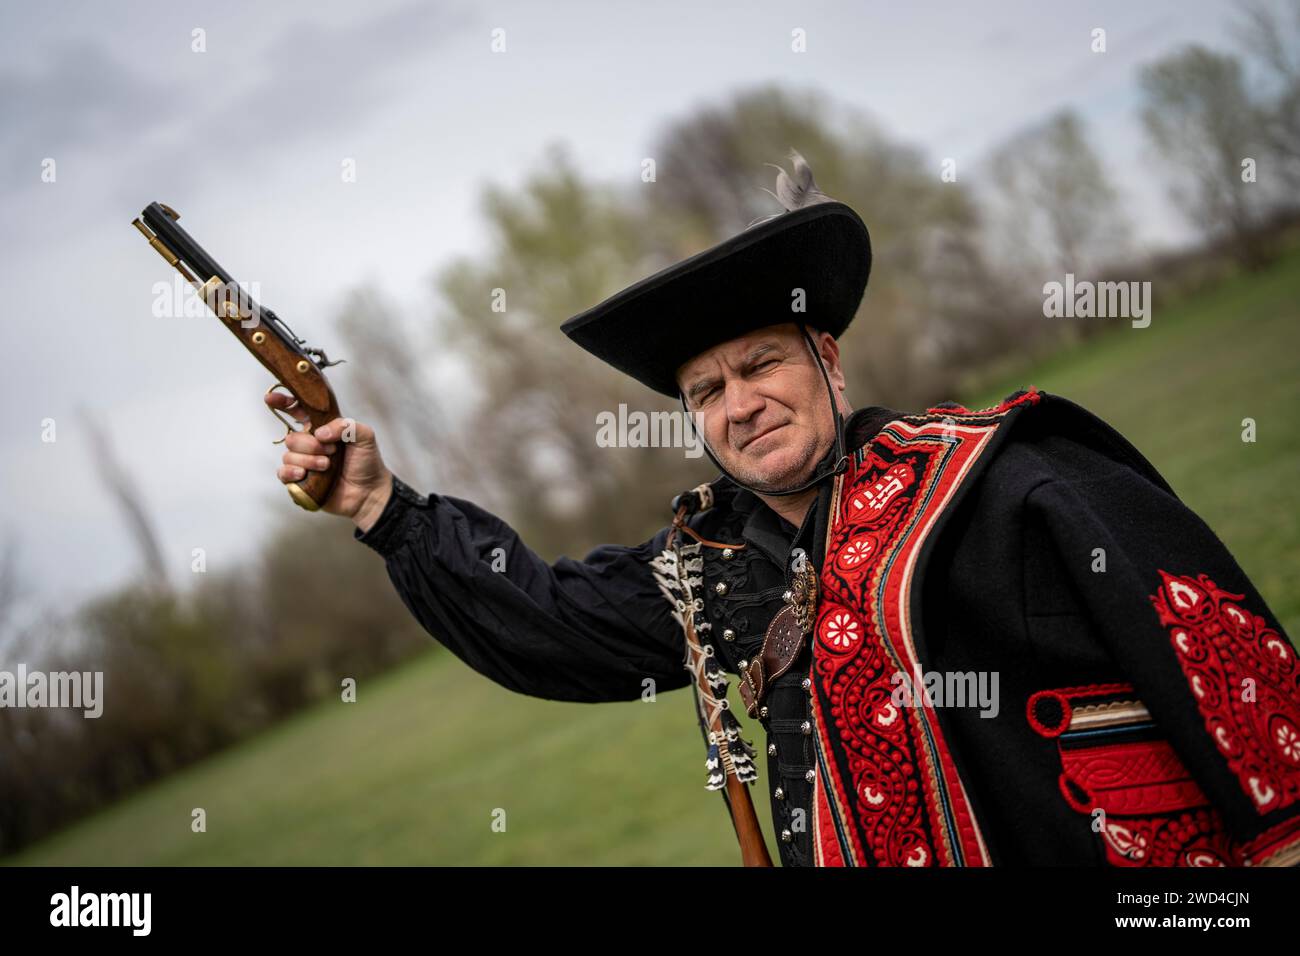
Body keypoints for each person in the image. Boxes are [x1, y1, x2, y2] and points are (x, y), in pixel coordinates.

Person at [266, 152, 1300, 868]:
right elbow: (548, 622)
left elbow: (1232, 680)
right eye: (707, 391)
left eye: (759, 363)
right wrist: (383, 508)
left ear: (828, 362)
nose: (739, 402)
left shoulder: (1010, 481)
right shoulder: (710, 562)